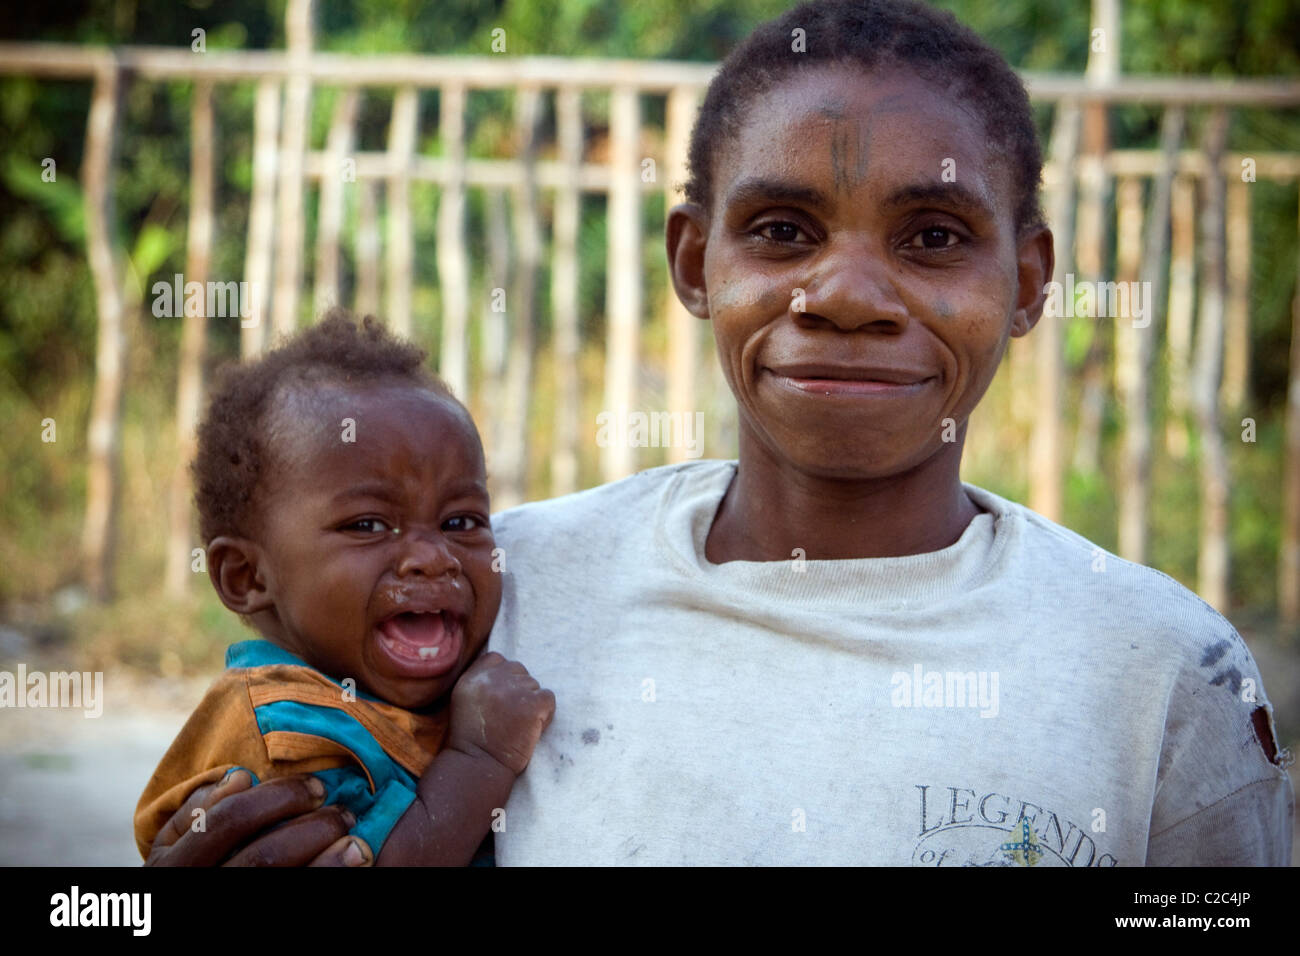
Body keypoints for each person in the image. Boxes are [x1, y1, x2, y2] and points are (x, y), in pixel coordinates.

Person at [146, 0, 1293, 866]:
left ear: (1029, 280)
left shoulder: (1157, 668)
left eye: (934, 236)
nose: (845, 293)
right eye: (784, 229)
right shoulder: (491, 594)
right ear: (697, 263)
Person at [135, 310, 555, 866]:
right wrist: (481, 758)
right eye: (367, 525)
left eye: (461, 522)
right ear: (248, 577)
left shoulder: (409, 700)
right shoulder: (285, 727)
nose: (433, 558)